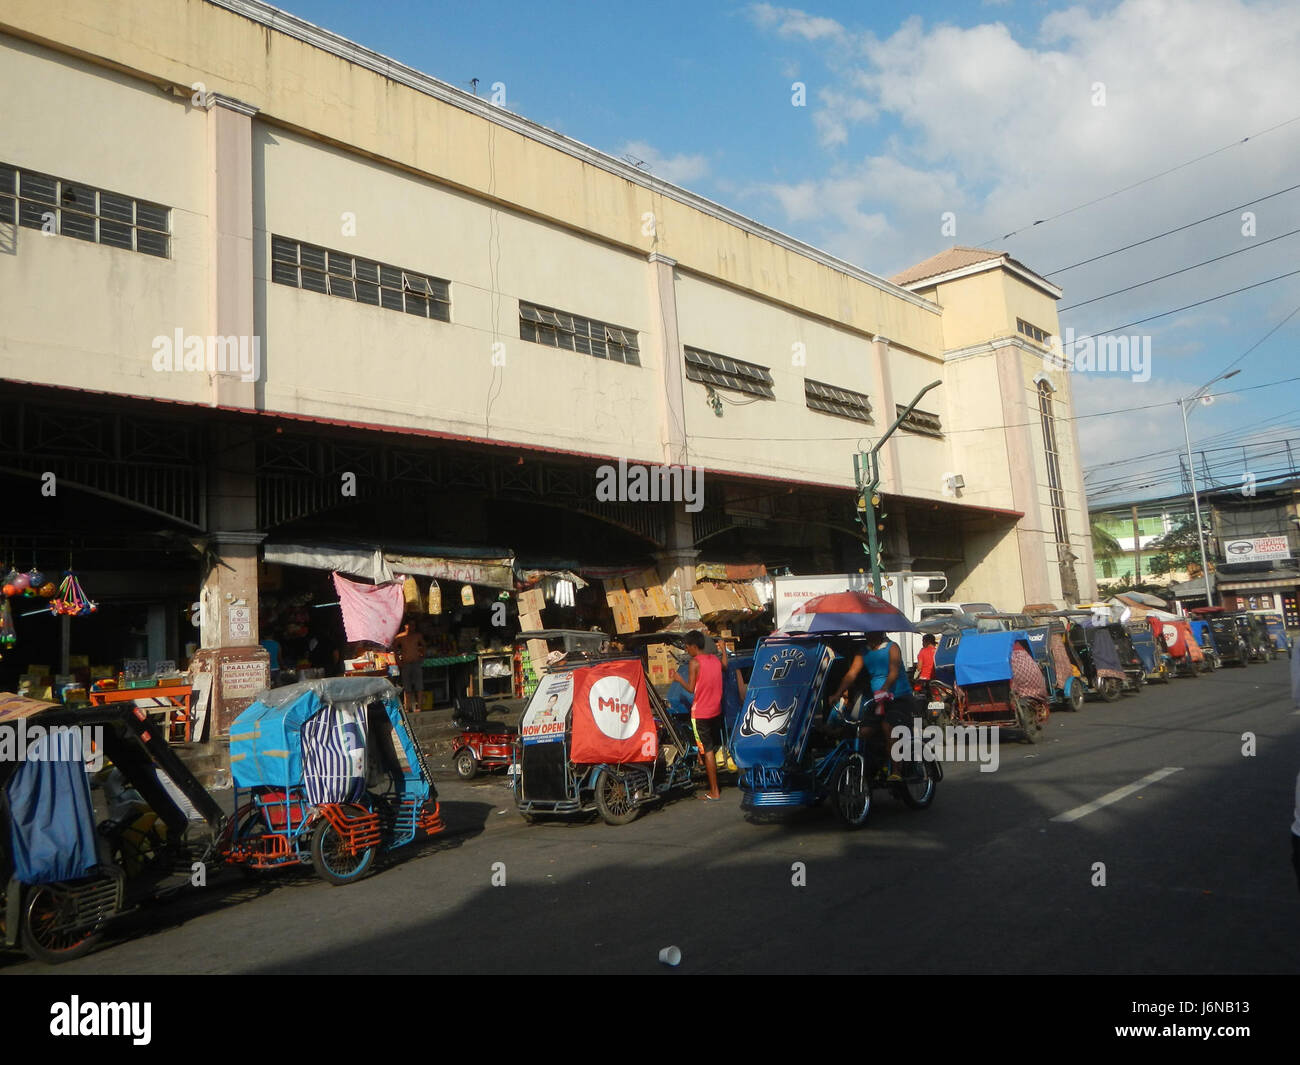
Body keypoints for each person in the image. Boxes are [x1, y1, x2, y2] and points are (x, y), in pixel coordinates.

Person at [827, 629, 915, 781]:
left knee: (888, 727)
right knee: (863, 732)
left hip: (898, 698)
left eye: (873, 633)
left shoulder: (892, 647)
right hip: (876, 700)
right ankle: (873, 765)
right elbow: (851, 674)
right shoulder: (863, 652)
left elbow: (893, 673)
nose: (869, 636)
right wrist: (837, 693)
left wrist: (884, 690)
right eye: (868, 633)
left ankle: (896, 771)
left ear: (880, 633)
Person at [681, 630, 726, 800]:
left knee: (706, 751)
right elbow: (725, 666)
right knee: (708, 748)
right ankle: (703, 763)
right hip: (715, 710)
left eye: (687, 647)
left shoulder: (694, 663)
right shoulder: (714, 659)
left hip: (699, 714)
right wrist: (723, 650)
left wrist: (679, 679)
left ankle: (714, 791)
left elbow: (691, 689)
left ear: (694, 646)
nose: (686, 650)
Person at [394, 616, 427, 713]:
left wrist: (422, 656)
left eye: (413, 625)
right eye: (410, 625)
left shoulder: (417, 636)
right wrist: (398, 660)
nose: (412, 627)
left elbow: (424, 645)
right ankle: (407, 707)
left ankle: (419, 706)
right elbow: (395, 649)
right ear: (405, 626)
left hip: (416, 663)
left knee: (419, 686)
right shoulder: (400, 637)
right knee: (407, 687)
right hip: (406, 664)